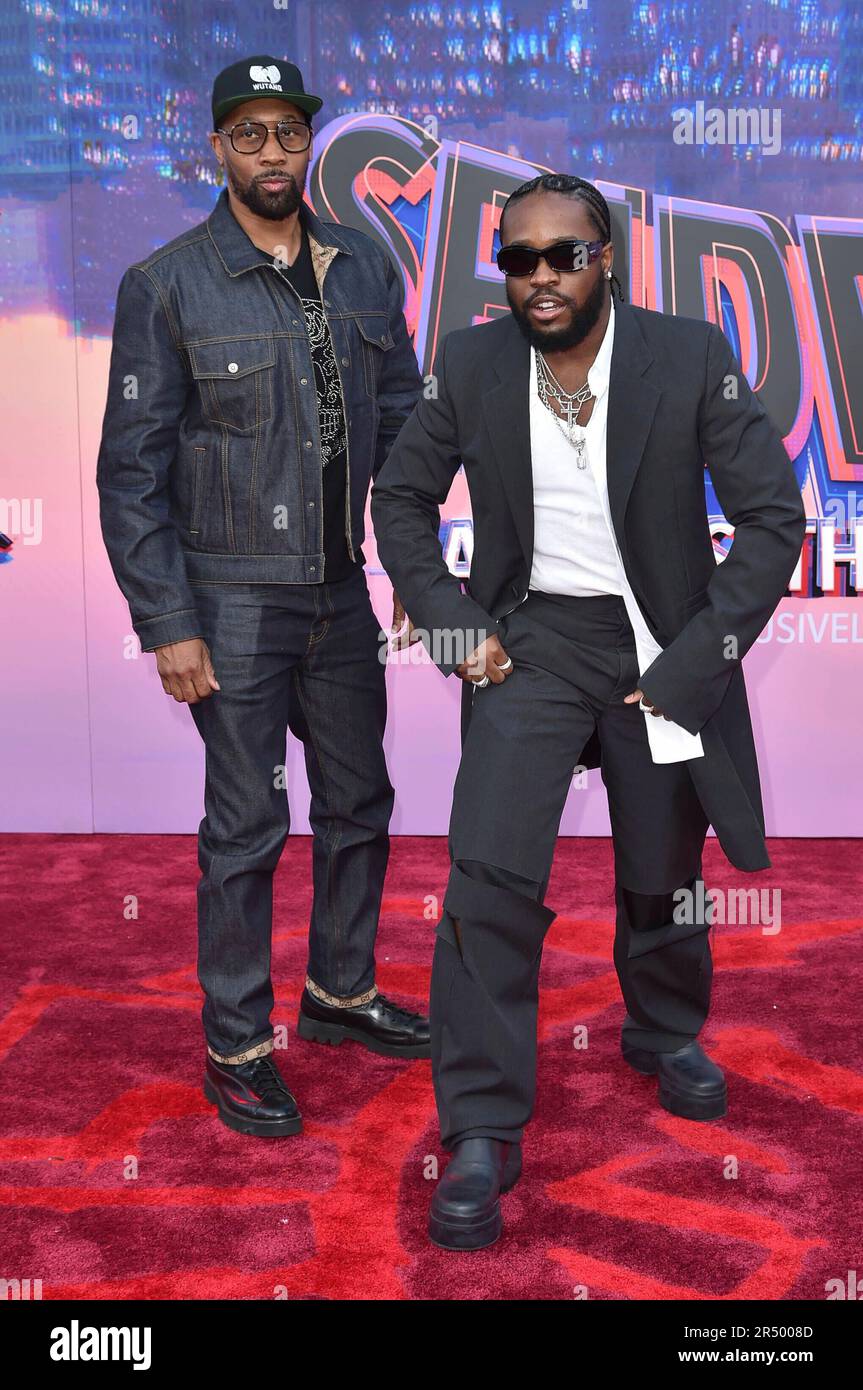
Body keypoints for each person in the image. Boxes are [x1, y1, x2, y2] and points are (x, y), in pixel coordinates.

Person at [371, 172, 805, 1248]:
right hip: (530, 643)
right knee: (487, 870)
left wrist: (696, 657)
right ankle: (478, 1123)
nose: (540, 276)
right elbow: (398, 497)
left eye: (562, 254)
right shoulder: (470, 363)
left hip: (660, 639)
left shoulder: (688, 354)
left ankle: (663, 1030)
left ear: (604, 257)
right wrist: (448, 617)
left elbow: (768, 518)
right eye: (517, 258)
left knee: (662, 864)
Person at [97, 55, 428, 1141]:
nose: (271, 153)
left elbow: (407, 426)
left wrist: (415, 565)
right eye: (250, 135)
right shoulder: (167, 282)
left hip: (340, 590)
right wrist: (168, 622)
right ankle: (237, 1045)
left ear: (307, 143)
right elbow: (131, 471)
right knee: (245, 826)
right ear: (219, 148)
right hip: (230, 601)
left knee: (359, 804)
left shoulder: (364, 268)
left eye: (288, 133)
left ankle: (337, 991)